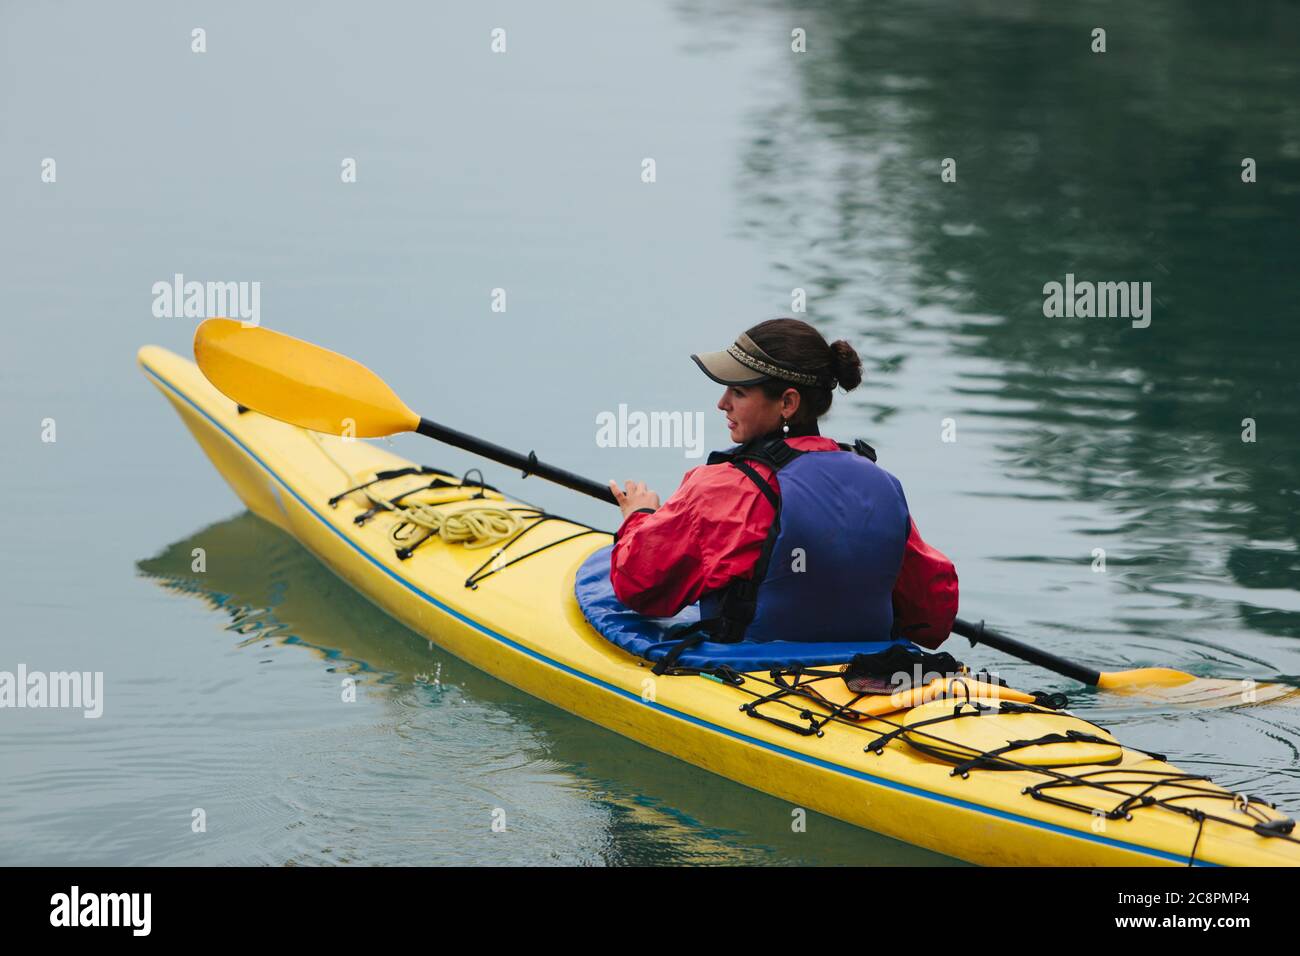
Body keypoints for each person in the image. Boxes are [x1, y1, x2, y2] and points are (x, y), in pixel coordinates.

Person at [607, 317, 958, 650]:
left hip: (750, 675)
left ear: (788, 402)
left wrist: (639, 516)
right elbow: (933, 618)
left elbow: (639, 586)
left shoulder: (721, 488)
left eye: (739, 392)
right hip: (866, 675)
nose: (722, 403)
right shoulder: (882, 484)